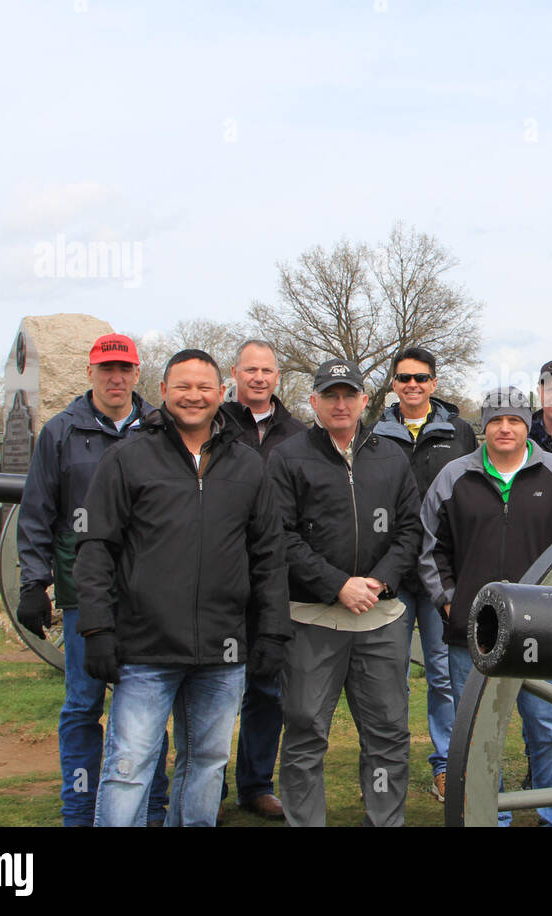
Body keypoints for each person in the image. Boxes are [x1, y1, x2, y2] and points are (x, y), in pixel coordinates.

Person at [75, 349, 290, 827]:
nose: (194, 396)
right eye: (183, 387)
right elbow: (95, 549)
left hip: (222, 648)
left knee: (207, 763)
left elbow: (269, 556)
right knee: (129, 767)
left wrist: (272, 632)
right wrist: (97, 629)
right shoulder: (127, 458)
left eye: (204, 388)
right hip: (145, 646)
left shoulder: (248, 466)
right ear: (164, 392)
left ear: (221, 393)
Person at [15, 332, 170, 827]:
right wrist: (32, 582)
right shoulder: (61, 433)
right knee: (83, 704)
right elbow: (38, 511)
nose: (116, 378)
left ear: (137, 373)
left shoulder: (160, 427)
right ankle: (80, 807)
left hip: (150, 589)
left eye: (124, 369)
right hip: (85, 588)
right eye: (107, 370)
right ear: (91, 374)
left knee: (149, 704)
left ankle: (151, 805)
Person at [419, 386, 552, 826]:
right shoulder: (454, 476)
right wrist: (448, 601)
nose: (505, 428)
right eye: (496, 421)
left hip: (542, 634)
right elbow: (430, 547)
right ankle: (485, 817)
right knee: (477, 736)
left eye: (514, 420)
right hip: (472, 633)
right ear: (484, 427)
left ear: (525, 425)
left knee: (550, 732)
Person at [269, 359, 422, 827]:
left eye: (349, 395)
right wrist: (336, 584)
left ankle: (384, 820)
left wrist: (378, 580)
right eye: (330, 395)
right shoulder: (288, 457)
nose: (340, 404)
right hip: (312, 620)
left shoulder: (391, 456)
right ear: (313, 401)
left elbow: (411, 530)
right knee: (305, 731)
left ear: (363, 400)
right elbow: (279, 535)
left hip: (379, 618)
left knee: (387, 732)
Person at [371, 346, 477, 804]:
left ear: (434, 383)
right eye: (403, 378)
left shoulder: (460, 432)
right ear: (393, 383)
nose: (412, 385)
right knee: (387, 675)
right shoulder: (373, 433)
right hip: (389, 575)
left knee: (443, 675)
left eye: (421, 378)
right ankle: (386, 769)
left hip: (441, 577)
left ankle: (446, 766)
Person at [218, 339, 306, 820]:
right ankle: (205, 789)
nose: (258, 377)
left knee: (267, 688)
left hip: (275, 576)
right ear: (235, 373)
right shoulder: (215, 424)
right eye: (249, 369)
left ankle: (255, 783)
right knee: (210, 688)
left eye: (266, 370)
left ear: (277, 376)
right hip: (220, 571)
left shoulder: (296, 434)